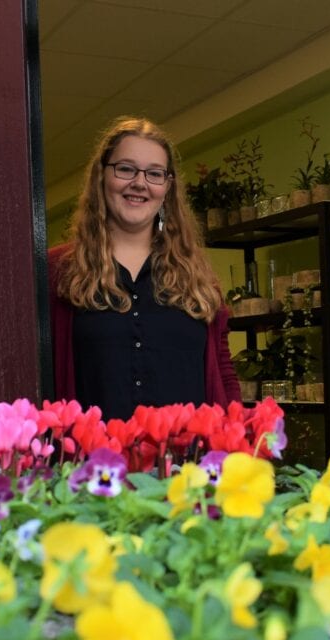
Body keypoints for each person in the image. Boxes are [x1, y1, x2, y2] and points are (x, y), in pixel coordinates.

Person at [49, 116, 240, 421]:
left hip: (186, 465)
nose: (139, 183)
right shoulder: (59, 271)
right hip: (96, 466)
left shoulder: (197, 276)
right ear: (102, 176)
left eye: (154, 173)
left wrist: (237, 443)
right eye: (125, 168)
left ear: (167, 186)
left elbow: (223, 374)